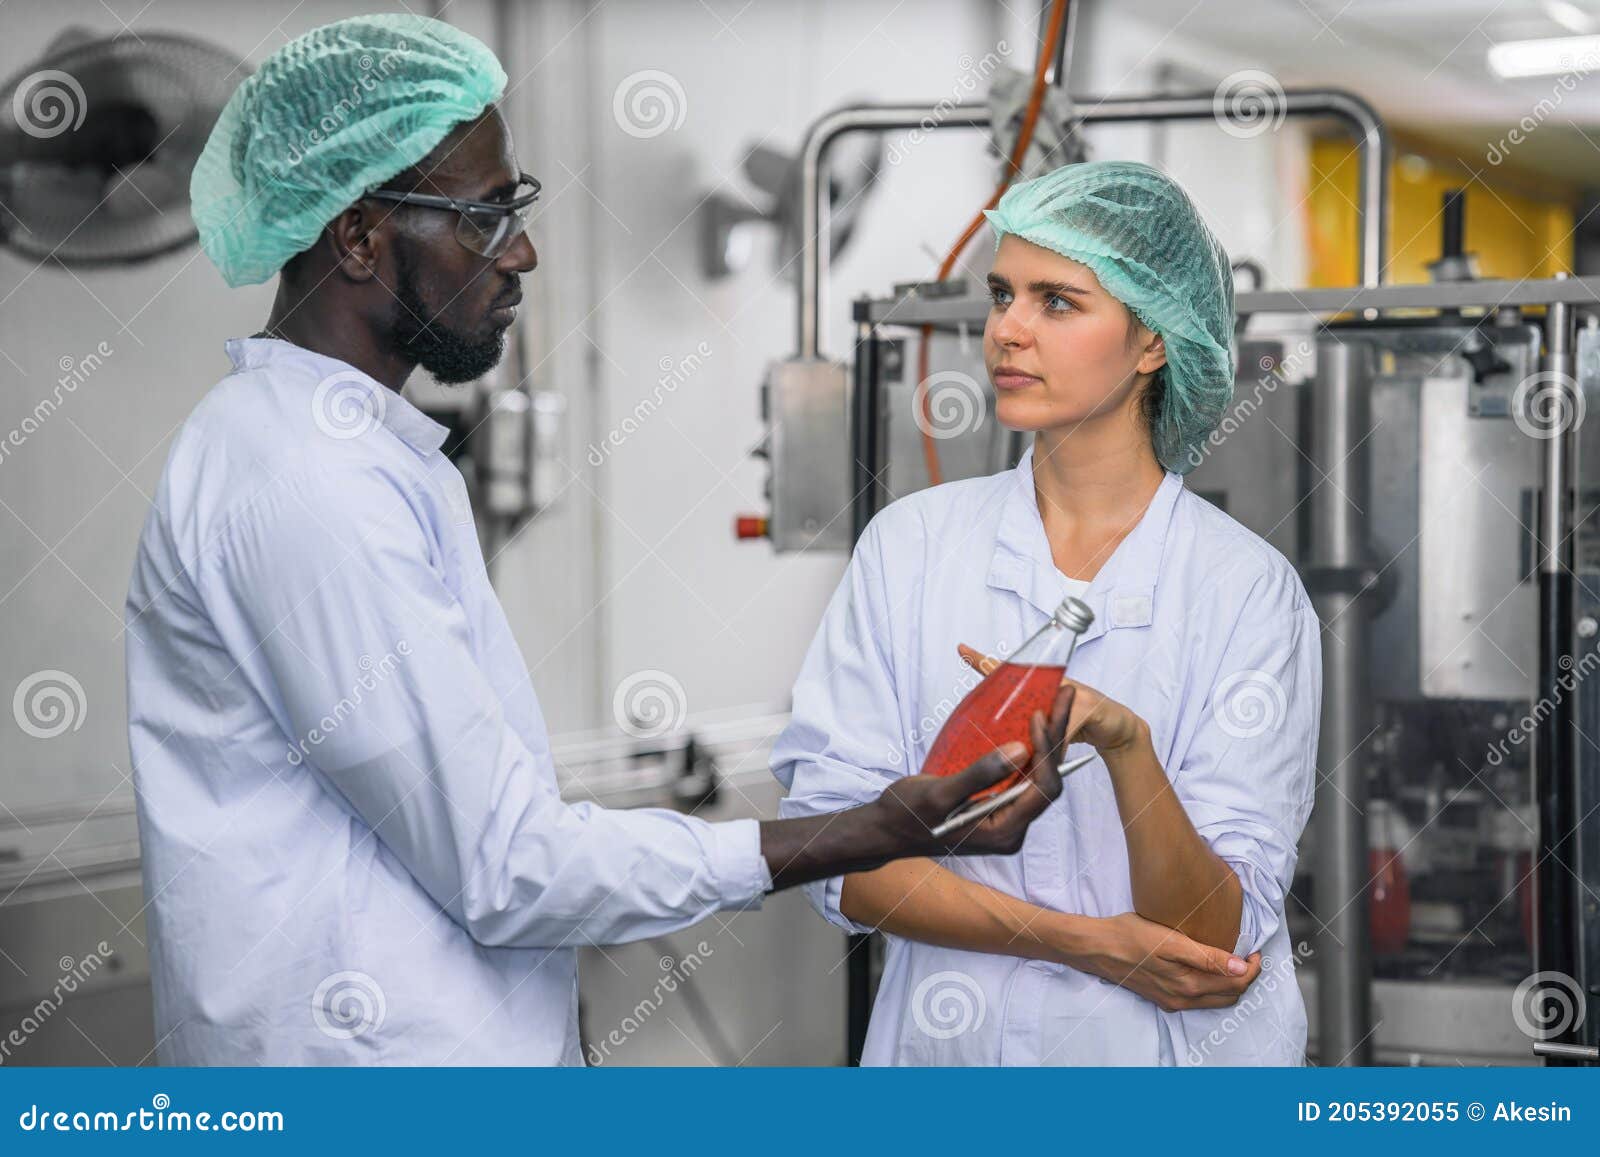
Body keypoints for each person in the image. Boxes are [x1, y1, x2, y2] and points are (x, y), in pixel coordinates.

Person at [124, 14, 1069, 1066]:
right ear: (357, 238)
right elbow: (505, 865)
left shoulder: (353, 455)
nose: (521, 251)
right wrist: (870, 829)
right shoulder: (305, 482)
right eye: (483, 216)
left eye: (514, 209)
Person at [773, 161, 1321, 1066]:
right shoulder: (910, 546)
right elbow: (838, 850)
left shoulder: (1244, 588)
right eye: (1001, 295)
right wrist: (1079, 939)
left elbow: (1211, 930)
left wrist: (1126, 744)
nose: (1006, 331)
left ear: (1153, 342)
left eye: (1056, 302)